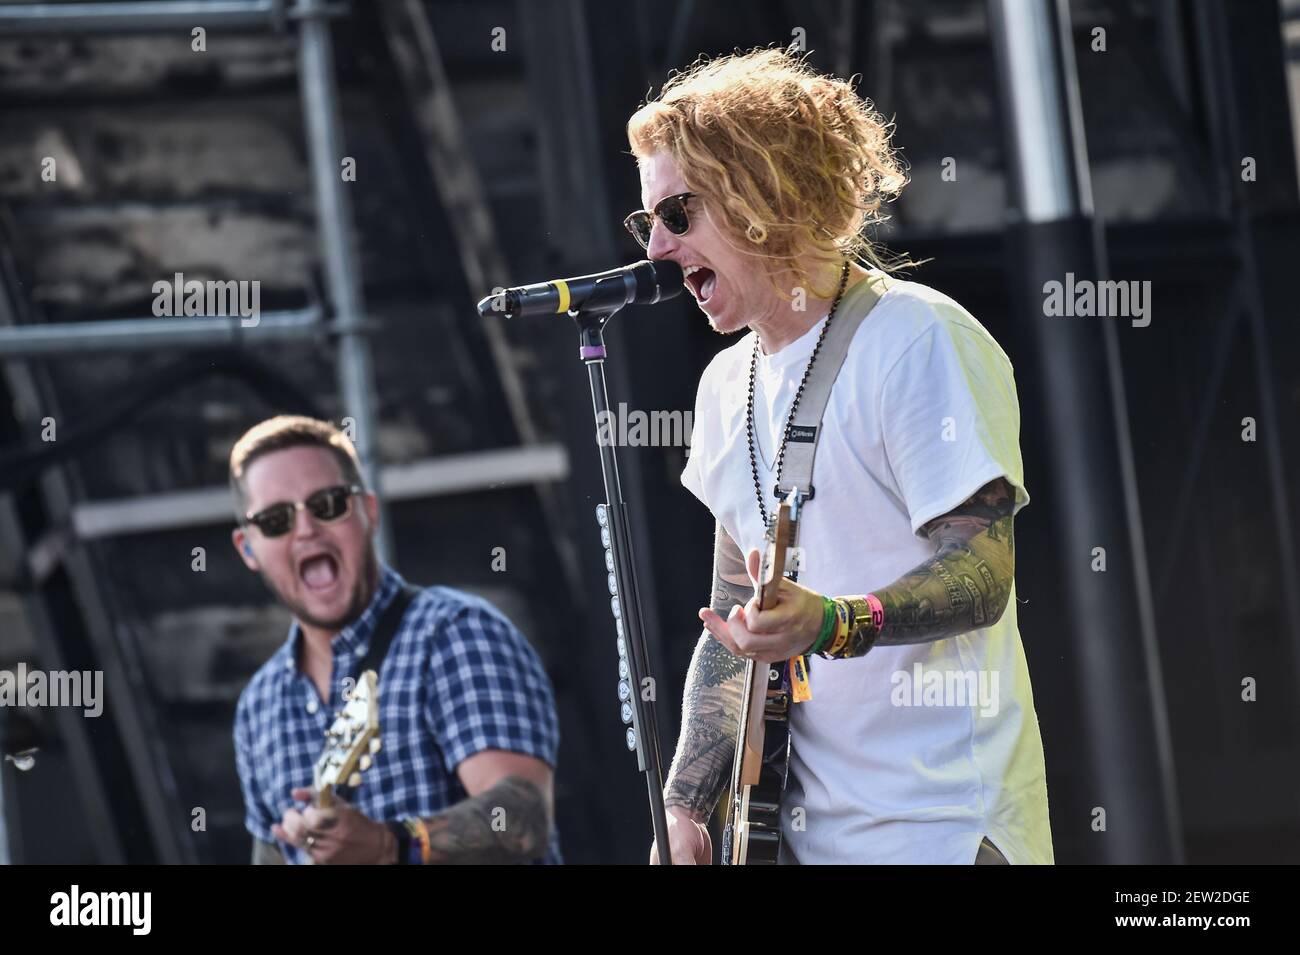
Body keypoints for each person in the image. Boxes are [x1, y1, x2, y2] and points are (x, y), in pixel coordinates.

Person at [625, 48, 1053, 864]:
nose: (656, 248)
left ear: (763, 195)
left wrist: (833, 620)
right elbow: (728, 627)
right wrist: (682, 808)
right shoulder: (724, 388)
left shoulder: (918, 339)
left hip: (941, 831)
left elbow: (981, 574)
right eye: (646, 221)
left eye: (678, 213)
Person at [230, 415, 561, 864]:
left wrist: (394, 844)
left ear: (368, 510)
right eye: (275, 520)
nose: (305, 529)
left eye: (327, 504)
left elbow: (524, 816)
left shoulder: (454, 633)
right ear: (247, 547)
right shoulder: (259, 705)